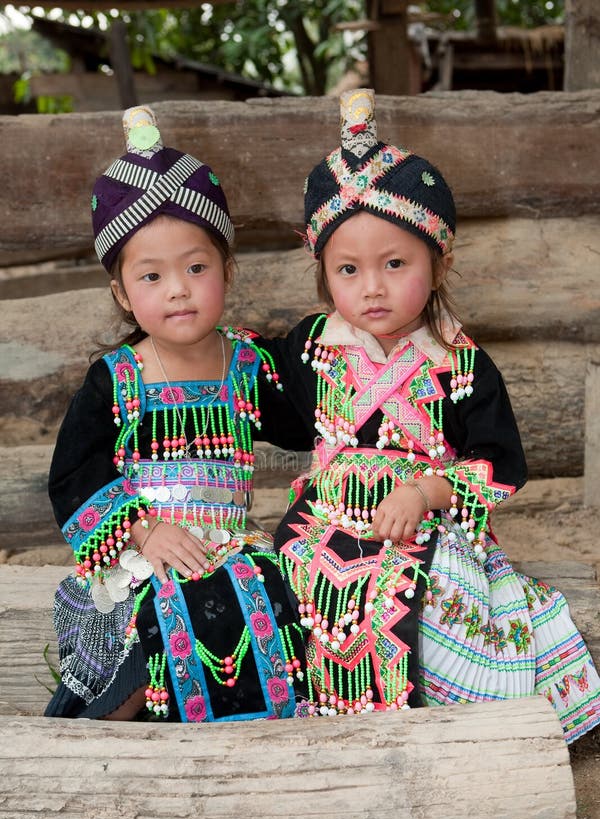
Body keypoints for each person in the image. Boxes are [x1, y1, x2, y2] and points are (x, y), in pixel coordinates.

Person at [265, 89, 600, 743]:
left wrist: (426, 490)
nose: (373, 287)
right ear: (323, 273)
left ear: (439, 260)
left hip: (426, 525)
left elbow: (502, 461)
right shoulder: (309, 346)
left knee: (435, 610)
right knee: (286, 584)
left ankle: (439, 732)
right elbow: (270, 410)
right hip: (323, 517)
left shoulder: (458, 358)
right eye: (349, 269)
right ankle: (312, 730)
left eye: (396, 264)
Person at [45, 106, 308, 723]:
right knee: (165, 608)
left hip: (230, 542)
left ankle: (261, 736)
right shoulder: (116, 380)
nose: (178, 289)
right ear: (121, 292)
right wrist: (145, 532)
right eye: (152, 275)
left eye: (196, 267)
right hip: (146, 550)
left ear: (227, 270)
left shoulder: (248, 365)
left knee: (267, 594)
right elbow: (72, 476)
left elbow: (307, 418)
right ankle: (112, 726)